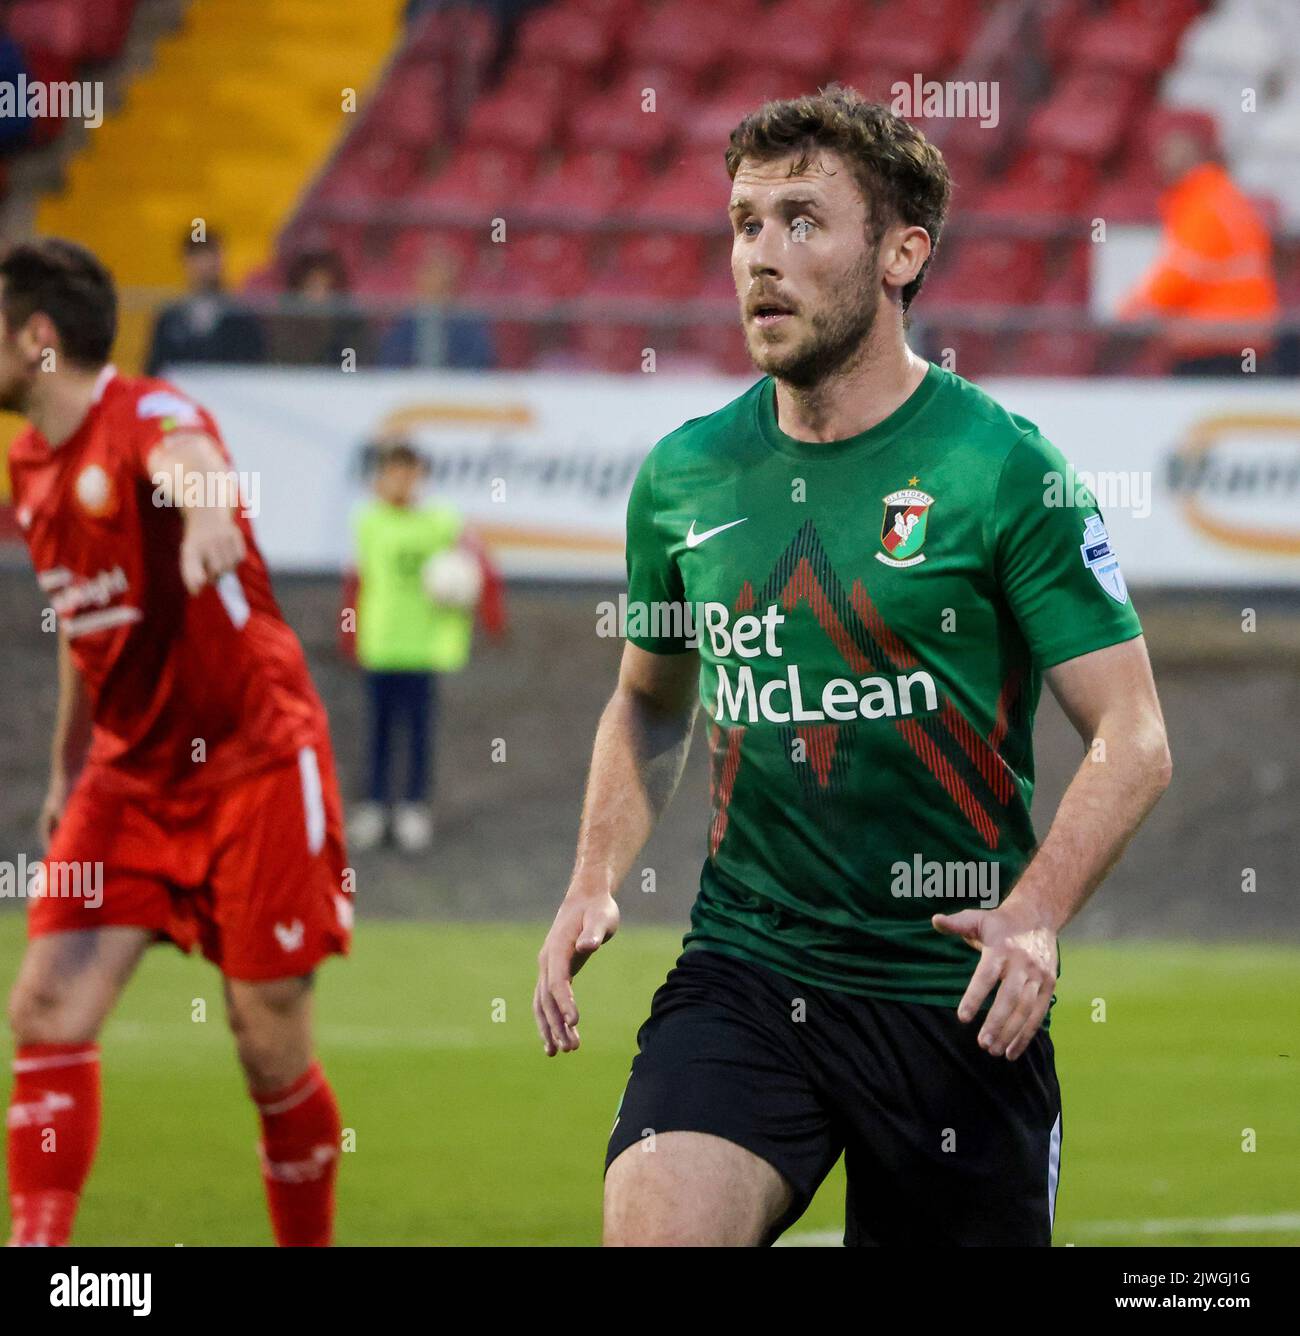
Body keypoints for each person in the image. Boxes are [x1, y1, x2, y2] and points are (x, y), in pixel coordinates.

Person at [533, 85, 1173, 1247]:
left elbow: (1132, 735)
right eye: (743, 223)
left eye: (801, 221)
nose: (760, 258)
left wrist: (1032, 915)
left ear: (900, 252)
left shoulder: (1001, 468)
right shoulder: (683, 476)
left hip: (949, 994)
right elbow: (645, 703)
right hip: (747, 962)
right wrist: (592, 876)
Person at [2, 239, 351, 1247]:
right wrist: (69, 767)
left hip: (252, 756)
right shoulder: (30, 464)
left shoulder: (146, 414)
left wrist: (204, 524)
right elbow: (82, 617)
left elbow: (194, 465)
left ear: (36, 337)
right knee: (47, 1003)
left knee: (266, 1037)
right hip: (130, 773)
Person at [341, 440, 504, 853]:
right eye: (394, 473)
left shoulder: (441, 521)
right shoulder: (368, 521)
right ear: (381, 477)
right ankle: (375, 807)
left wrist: (490, 613)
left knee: (417, 730)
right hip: (381, 643)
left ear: (420, 477)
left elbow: (480, 563)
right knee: (377, 728)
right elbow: (357, 578)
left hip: (423, 646)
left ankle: (413, 808)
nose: (401, 482)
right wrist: (350, 629)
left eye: (409, 474)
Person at [1118, 121, 1279, 376]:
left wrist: (1131, 310)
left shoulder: (1202, 203)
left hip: (1214, 340)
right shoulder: (1224, 196)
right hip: (1239, 337)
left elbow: (1181, 273)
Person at [144, 229, 265, 375]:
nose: (203, 264)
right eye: (196, 256)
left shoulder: (241, 317)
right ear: (185, 261)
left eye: (209, 255)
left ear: (221, 259)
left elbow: (254, 368)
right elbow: (154, 368)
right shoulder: (170, 318)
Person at [378, 249, 495, 371]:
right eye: (430, 275)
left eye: (443, 281)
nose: (436, 285)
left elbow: (479, 362)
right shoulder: (405, 322)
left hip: (457, 386)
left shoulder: (468, 323)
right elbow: (389, 361)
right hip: (411, 386)